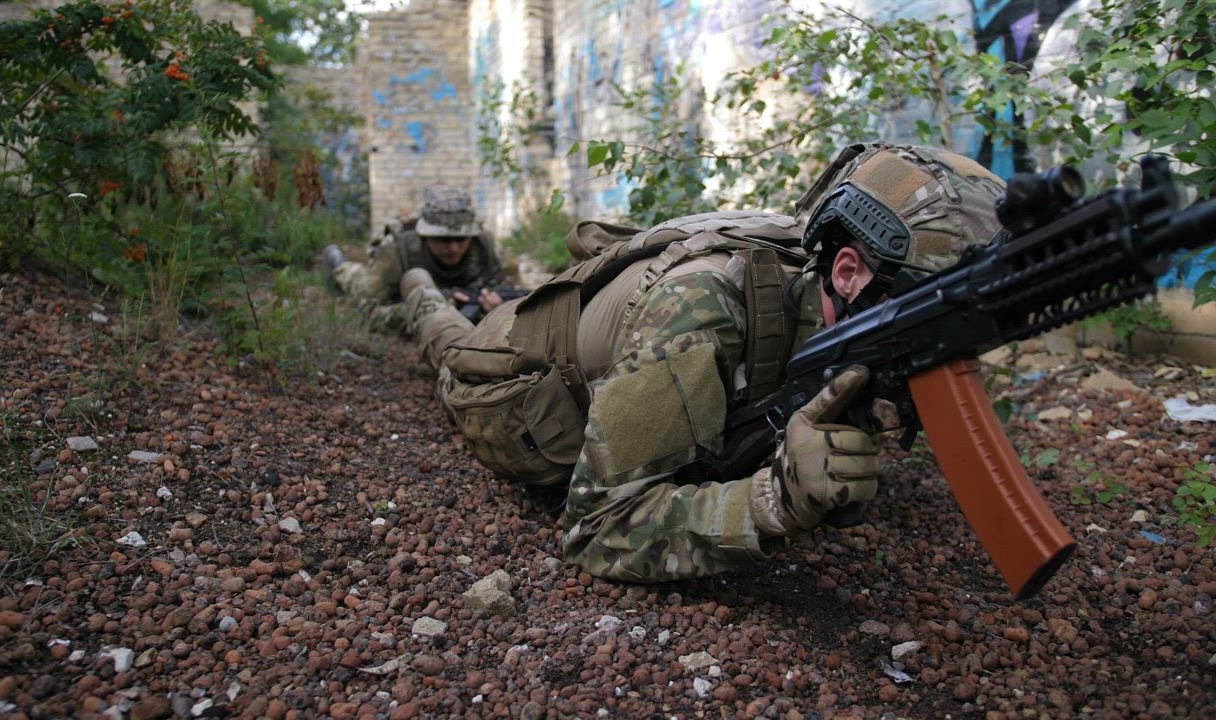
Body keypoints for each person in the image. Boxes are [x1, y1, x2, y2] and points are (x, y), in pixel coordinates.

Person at [402, 142, 1008, 582]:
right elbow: (599, 529)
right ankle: (416, 286)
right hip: (510, 376)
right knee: (446, 333)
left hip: (610, 335)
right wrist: (772, 502)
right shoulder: (702, 310)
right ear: (848, 271)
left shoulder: (827, 288)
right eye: (923, 307)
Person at [323, 184, 509, 329]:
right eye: (443, 239)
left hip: (456, 294)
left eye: (462, 239)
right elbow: (368, 313)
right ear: (425, 235)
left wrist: (498, 309)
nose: (454, 248)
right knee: (357, 284)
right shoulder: (398, 251)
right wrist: (426, 309)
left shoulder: (486, 246)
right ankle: (338, 263)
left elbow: (512, 294)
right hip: (399, 291)